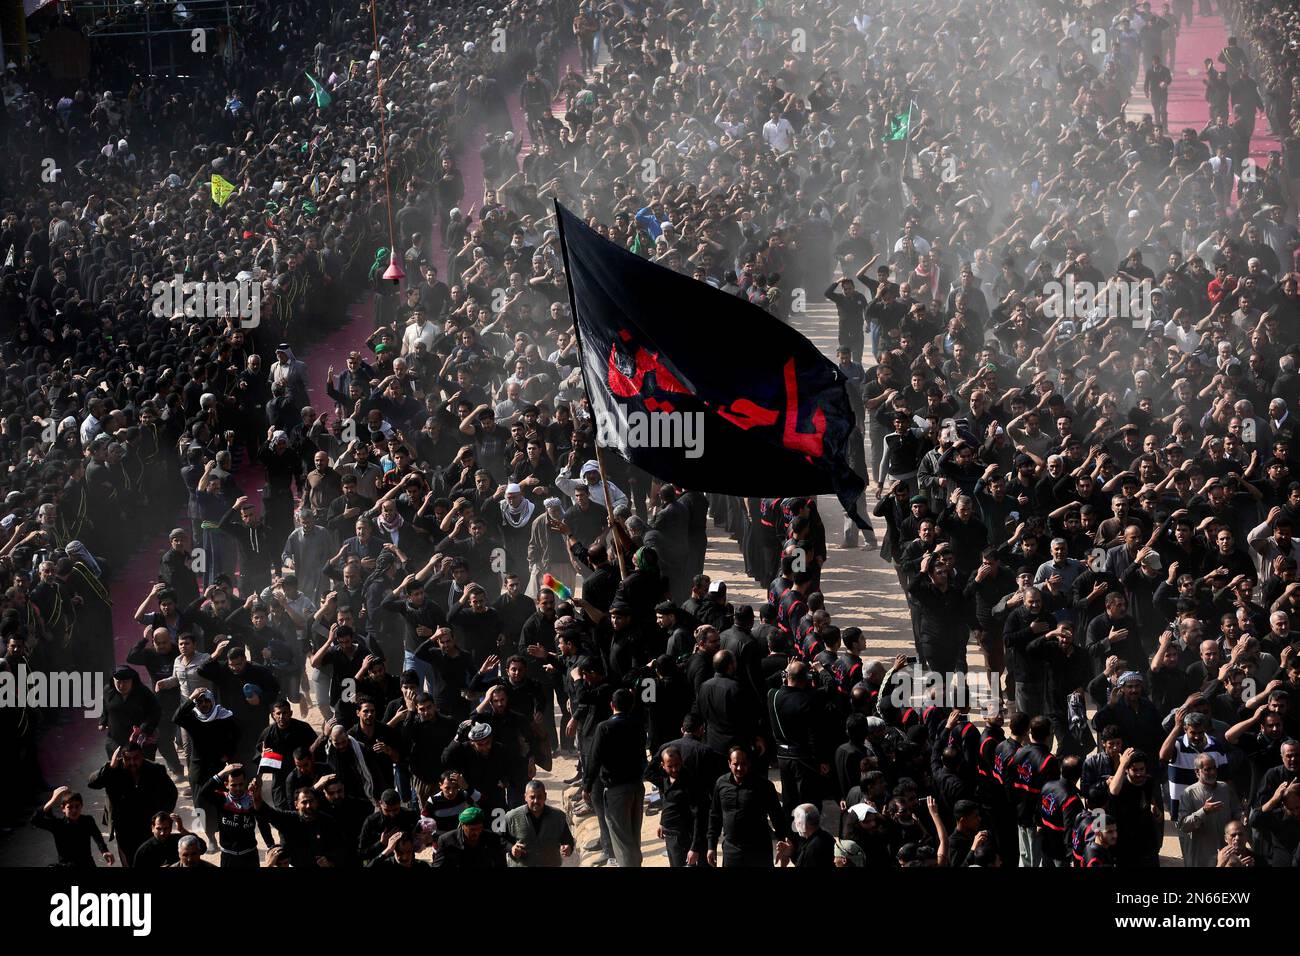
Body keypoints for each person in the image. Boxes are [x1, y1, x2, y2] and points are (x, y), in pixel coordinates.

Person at [582, 687, 646, 867]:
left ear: (611, 705)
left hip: (616, 790)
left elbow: (594, 759)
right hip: (636, 786)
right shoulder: (638, 723)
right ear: (632, 705)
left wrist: (586, 786)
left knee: (622, 840)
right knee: (634, 836)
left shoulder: (605, 727)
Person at [707, 746, 789, 867]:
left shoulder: (764, 786)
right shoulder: (721, 784)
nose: (740, 768)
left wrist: (782, 844)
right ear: (729, 763)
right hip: (732, 850)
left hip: (758, 851)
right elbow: (715, 816)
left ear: (749, 763)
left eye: (743, 764)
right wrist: (711, 846)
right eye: (736, 764)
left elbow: (777, 816)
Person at [31, 788, 113, 868]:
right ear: (63, 808)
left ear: (81, 806)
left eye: (77, 806)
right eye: (70, 807)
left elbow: (97, 836)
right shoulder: (58, 825)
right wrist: (53, 800)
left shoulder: (87, 821)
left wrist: (104, 851)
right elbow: (35, 820)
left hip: (87, 863)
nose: (74, 810)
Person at [504, 780, 575, 867]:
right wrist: (511, 848)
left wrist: (568, 847)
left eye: (540, 797)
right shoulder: (512, 817)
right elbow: (501, 840)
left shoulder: (558, 817)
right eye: (532, 797)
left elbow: (568, 839)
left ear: (545, 796)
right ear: (525, 797)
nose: (536, 801)